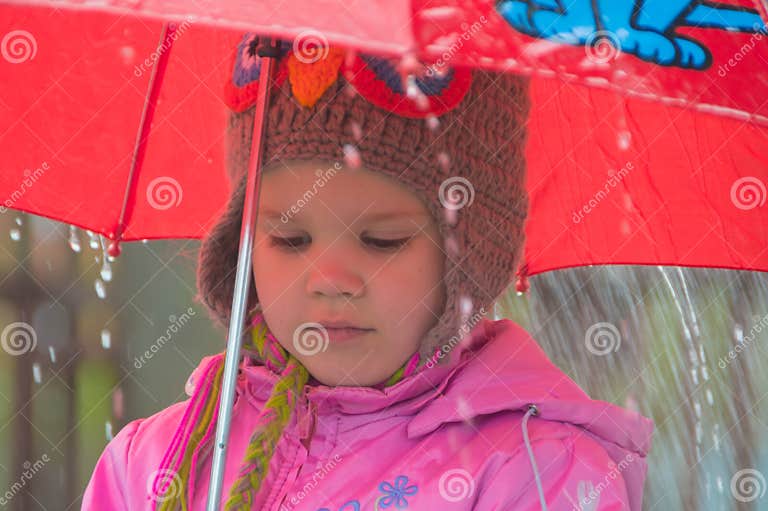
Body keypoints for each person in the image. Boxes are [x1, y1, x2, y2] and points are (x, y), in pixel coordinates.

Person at [82, 34, 654, 510]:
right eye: (289, 239)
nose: (330, 277)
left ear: (471, 256)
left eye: (383, 240)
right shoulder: (159, 465)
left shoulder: (535, 474)